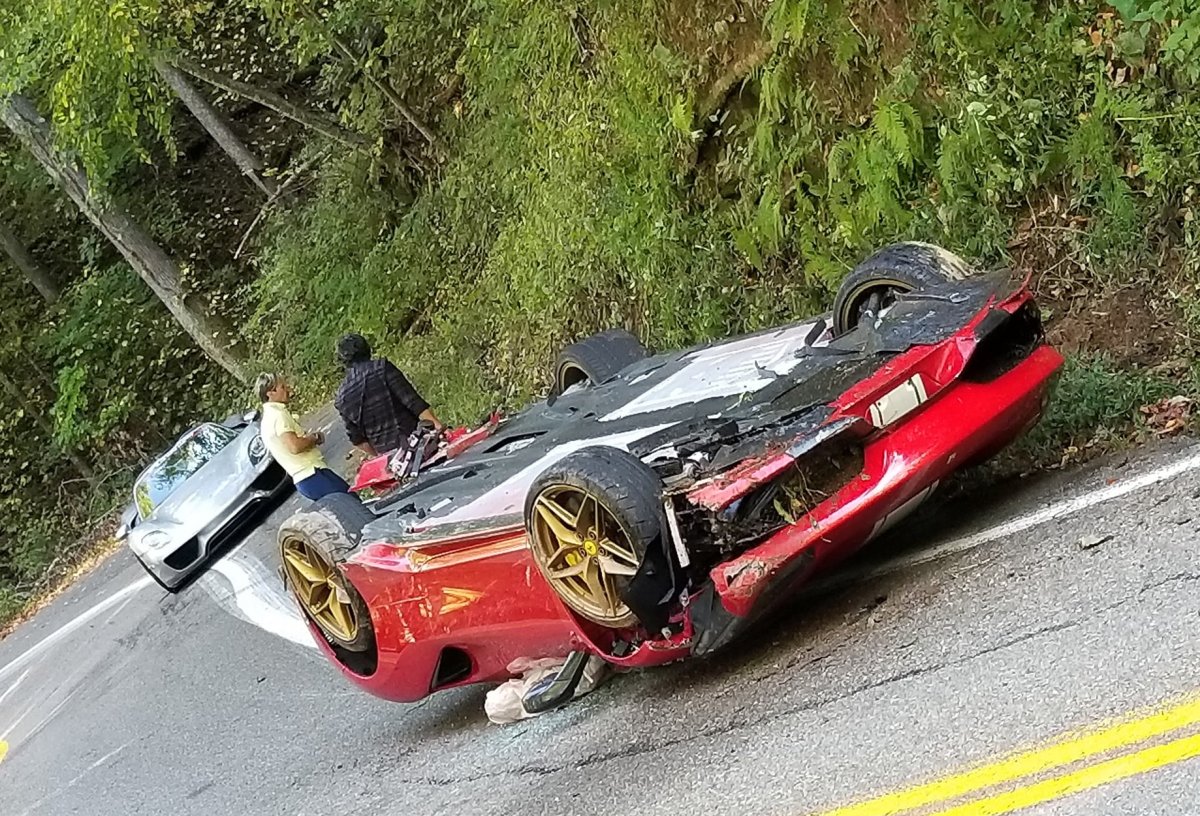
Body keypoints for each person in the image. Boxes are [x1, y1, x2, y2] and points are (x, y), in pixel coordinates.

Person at [334, 333, 442, 458]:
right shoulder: (382, 368)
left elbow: (357, 439)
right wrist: (438, 427)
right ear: (367, 349)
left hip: (391, 458)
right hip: (419, 442)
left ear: (343, 361)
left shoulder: (341, 398)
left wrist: (381, 456)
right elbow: (413, 402)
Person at [255, 372, 350, 501]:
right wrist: (313, 438)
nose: (288, 389)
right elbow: (294, 446)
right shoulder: (278, 416)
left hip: (303, 479)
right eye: (282, 387)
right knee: (352, 504)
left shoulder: (266, 420)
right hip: (312, 474)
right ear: (270, 393)